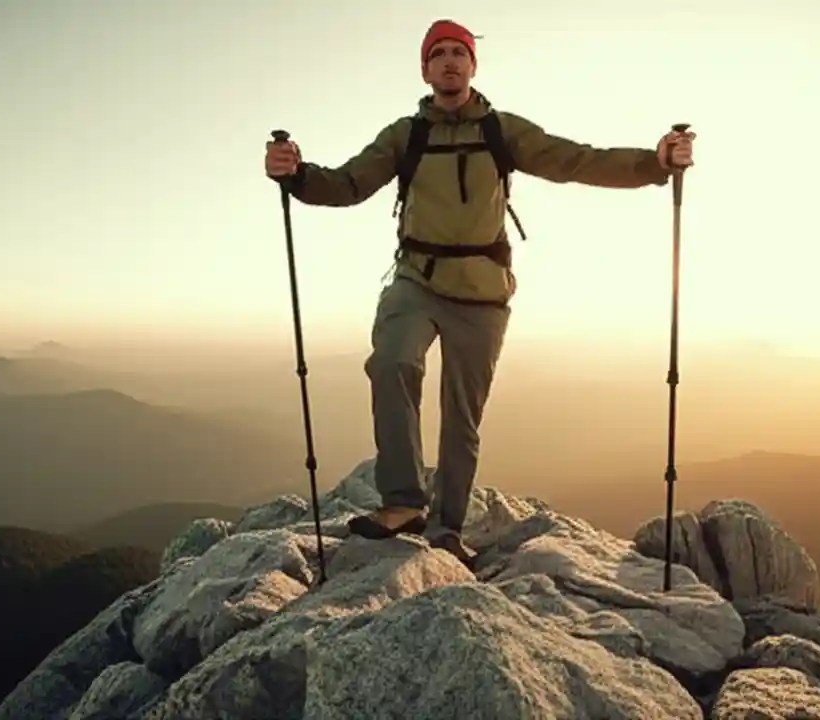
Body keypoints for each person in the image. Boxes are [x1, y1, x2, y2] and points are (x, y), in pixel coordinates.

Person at [263, 19, 694, 569]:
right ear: (424, 69)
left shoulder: (501, 130)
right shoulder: (406, 134)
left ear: (473, 65)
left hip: (484, 292)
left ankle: (446, 528)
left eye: (458, 53)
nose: (449, 62)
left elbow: (576, 159)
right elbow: (348, 184)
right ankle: (402, 503)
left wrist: (653, 163)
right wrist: (297, 174)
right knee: (392, 362)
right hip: (415, 280)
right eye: (438, 54)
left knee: (461, 416)